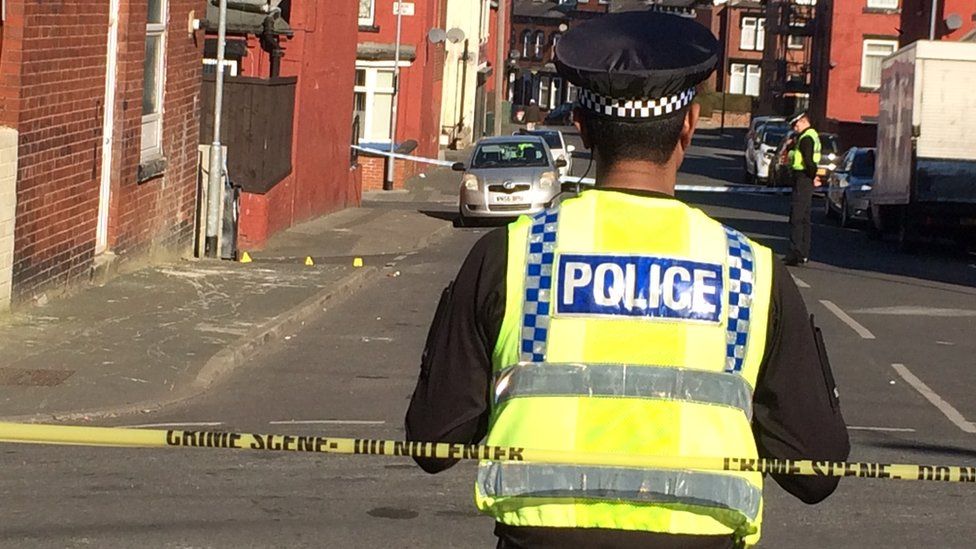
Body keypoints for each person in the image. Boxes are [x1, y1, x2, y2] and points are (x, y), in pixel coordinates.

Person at [406, 12, 849, 549]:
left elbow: (434, 441)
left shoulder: (509, 255)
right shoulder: (753, 271)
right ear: (686, 125)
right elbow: (815, 470)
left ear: (584, 127)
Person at [785, 111, 822, 266]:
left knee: (797, 217)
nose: (794, 127)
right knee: (805, 218)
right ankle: (803, 253)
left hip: (803, 179)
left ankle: (795, 253)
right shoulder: (809, 136)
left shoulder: (807, 138)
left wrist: (812, 177)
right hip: (804, 179)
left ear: (804, 121)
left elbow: (809, 162)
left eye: (796, 124)